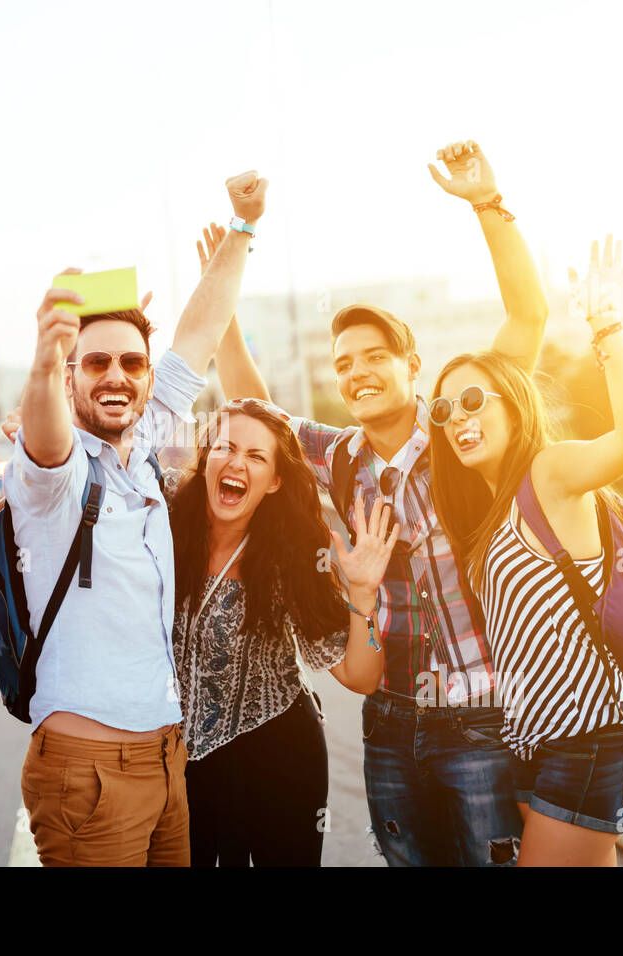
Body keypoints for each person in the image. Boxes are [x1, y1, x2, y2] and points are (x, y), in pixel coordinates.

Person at [211, 140, 547, 866]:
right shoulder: (339, 457)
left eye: (373, 358)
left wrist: (488, 205)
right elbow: (251, 403)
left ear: (412, 366)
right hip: (390, 721)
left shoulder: (464, 430)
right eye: (343, 365)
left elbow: (527, 321)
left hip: (483, 716)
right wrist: (225, 291)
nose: (357, 373)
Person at [4, 170, 268, 866]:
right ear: (70, 377)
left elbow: (201, 331)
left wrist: (242, 228)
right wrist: (44, 357)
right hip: (87, 770)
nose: (115, 375)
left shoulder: (144, 445)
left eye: (131, 362)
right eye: (94, 364)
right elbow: (45, 431)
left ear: (148, 377)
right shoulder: (54, 474)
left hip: (164, 757)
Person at [428, 238, 623, 866]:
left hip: (589, 739)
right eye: (444, 408)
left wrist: (605, 322)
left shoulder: (549, 474)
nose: (458, 417)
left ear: (512, 402)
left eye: (474, 400)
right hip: (531, 741)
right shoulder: (490, 509)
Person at [167, 397, 397, 866]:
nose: (236, 463)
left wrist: (364, 596)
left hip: (279, 758)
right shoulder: (162, 526)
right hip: (179, 763)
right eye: (225, 448)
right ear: (206, 456)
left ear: (274, 481)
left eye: (256, 457)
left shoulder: (288, 562)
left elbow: (361, 676)